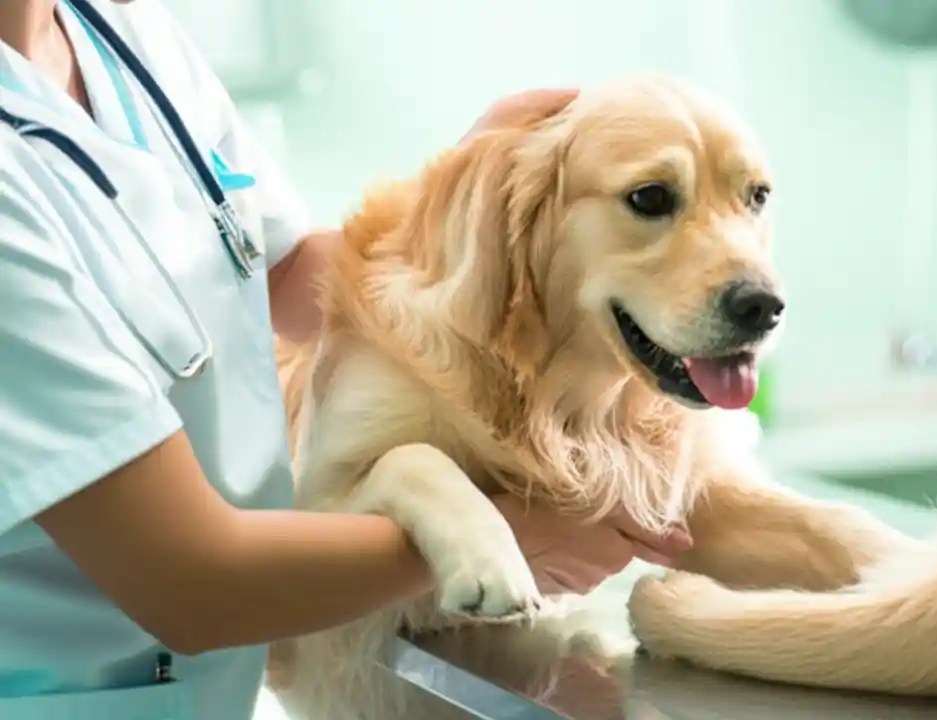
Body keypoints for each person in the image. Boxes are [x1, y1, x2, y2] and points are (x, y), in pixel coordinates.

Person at [0, 1, 692, 719]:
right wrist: (503, 533)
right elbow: (190, 584)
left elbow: (290, 276)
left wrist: (463, 201)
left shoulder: (124, 32)